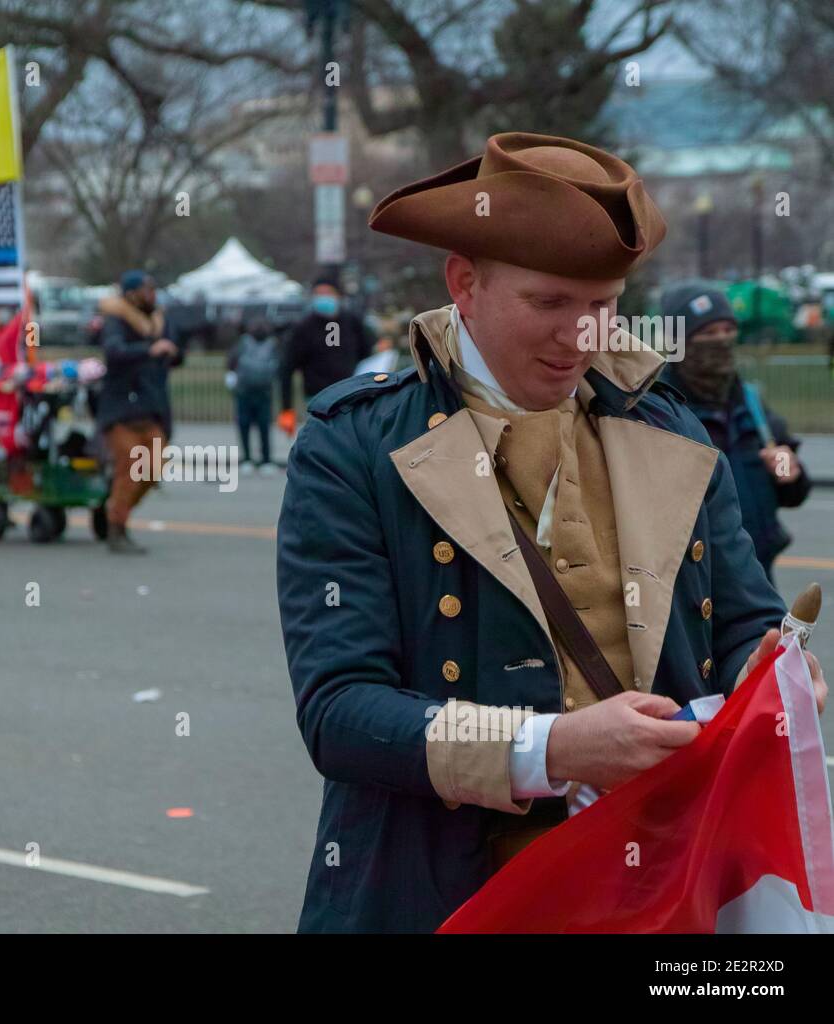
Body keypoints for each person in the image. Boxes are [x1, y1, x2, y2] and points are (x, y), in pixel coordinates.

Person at [276, 132, 828, 934]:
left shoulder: (672, 427)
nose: (583, 336)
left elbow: (742, 618)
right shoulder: (352, 442)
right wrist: (550, 749)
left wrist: (777, 673)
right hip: (453, 895)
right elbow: (341, 711)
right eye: (550, 304)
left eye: (603, 306)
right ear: (464, 284)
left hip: (660, 887)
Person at [660, 282, 812, 582]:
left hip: (757, 574)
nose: (722, 340)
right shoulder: (660, 408)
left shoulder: (750, 403)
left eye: (728, 330)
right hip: (692, 581)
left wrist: (787, 470)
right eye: (707, 334)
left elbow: (791, 489)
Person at [96, 270, 183, 553]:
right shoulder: (116, 319)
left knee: (154, 469)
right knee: (131, 469)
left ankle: (114, 510)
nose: (152, 295)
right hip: (122, 410)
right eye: (146, 290)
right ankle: (116, 528)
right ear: (131, 293)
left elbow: (176, 354)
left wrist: (170, 351)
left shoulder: (159, 320)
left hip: (152, 408)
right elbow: (114, 351)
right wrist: (149, 349)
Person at [277, 275, 375, 436]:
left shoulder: (353, 322)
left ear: (338, 295)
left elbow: (368, 353)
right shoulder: (303, 328)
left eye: (328, 293)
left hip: (351, 396)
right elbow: (287, 367)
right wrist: (286, 409)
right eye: (319, 294)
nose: (323, 298)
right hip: (317, 398)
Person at [226, 317, 280, 475]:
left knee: (257, 426)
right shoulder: (250, 343)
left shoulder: (264, 344)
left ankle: (258, 459)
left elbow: (231, 361)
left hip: (256, 391)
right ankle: (257, 459)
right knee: (251, 425)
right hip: (252, 391)